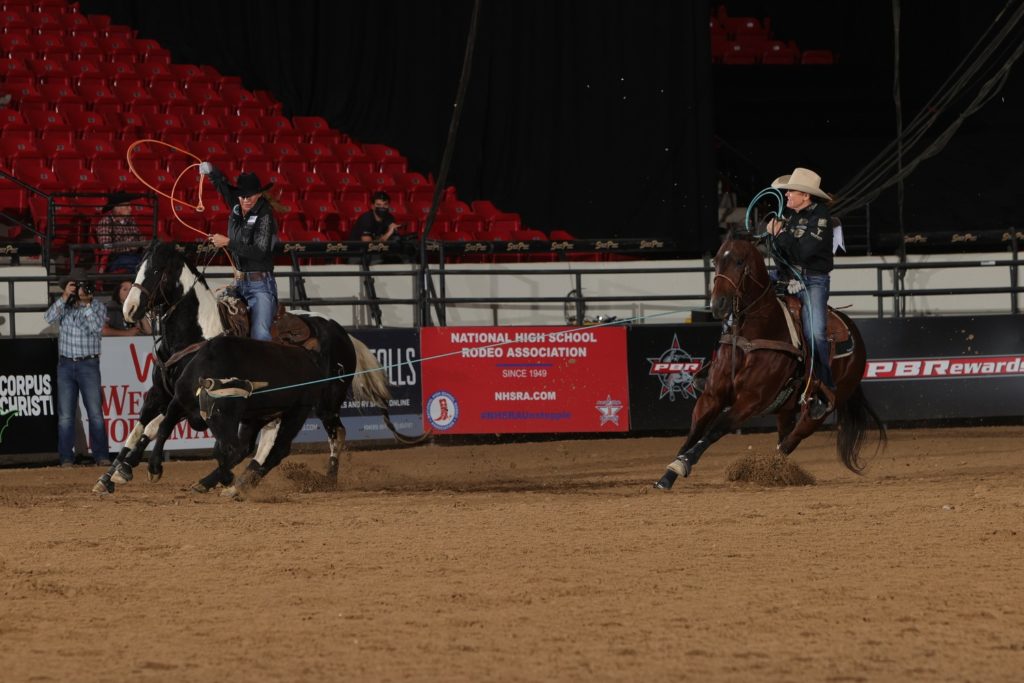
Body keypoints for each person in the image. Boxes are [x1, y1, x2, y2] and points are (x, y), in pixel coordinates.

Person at [765, 167, 835, 420]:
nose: (786, 196)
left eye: (791, 192)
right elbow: (781, 253)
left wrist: (780, 234)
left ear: (805, 196)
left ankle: (825, 388)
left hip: (813, 280)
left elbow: (803, 252)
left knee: (815, 333)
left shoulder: (821, 217)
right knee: (743, 292)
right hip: (788, 276)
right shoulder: (792, 217)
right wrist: (786, 273)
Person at [198, 163, 280, 341]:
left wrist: (227, 242)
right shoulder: (237, 206)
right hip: (239, 284)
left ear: (259, 194)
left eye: (250, 196)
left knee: (260, 335)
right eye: (242, 196)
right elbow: (223, 186)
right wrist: (212, 171)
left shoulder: (265, 215)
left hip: (261, 286)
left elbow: (259, 251)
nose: (245, 200)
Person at [44, 270, 111, 467]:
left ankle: (101, 456)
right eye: (78, 285)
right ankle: (66, 458)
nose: (82, 289)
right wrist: (64, 296)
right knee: (65, 415)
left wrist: (87, 305)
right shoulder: (64, 305)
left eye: (84, 285)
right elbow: (48, 318)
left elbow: (97, 328)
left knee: (95, 414)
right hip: (65, 364)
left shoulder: (97, 306)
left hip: (88, 363)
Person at [96, 191, 144, 275]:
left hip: (134, 256)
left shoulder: (130, 220)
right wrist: (128, 247)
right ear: (117, 208)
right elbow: (106, 246)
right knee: (137, 265)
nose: (130, 209)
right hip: (117, 259)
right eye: (127, 206)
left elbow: (140, 237)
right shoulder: (106, 222)